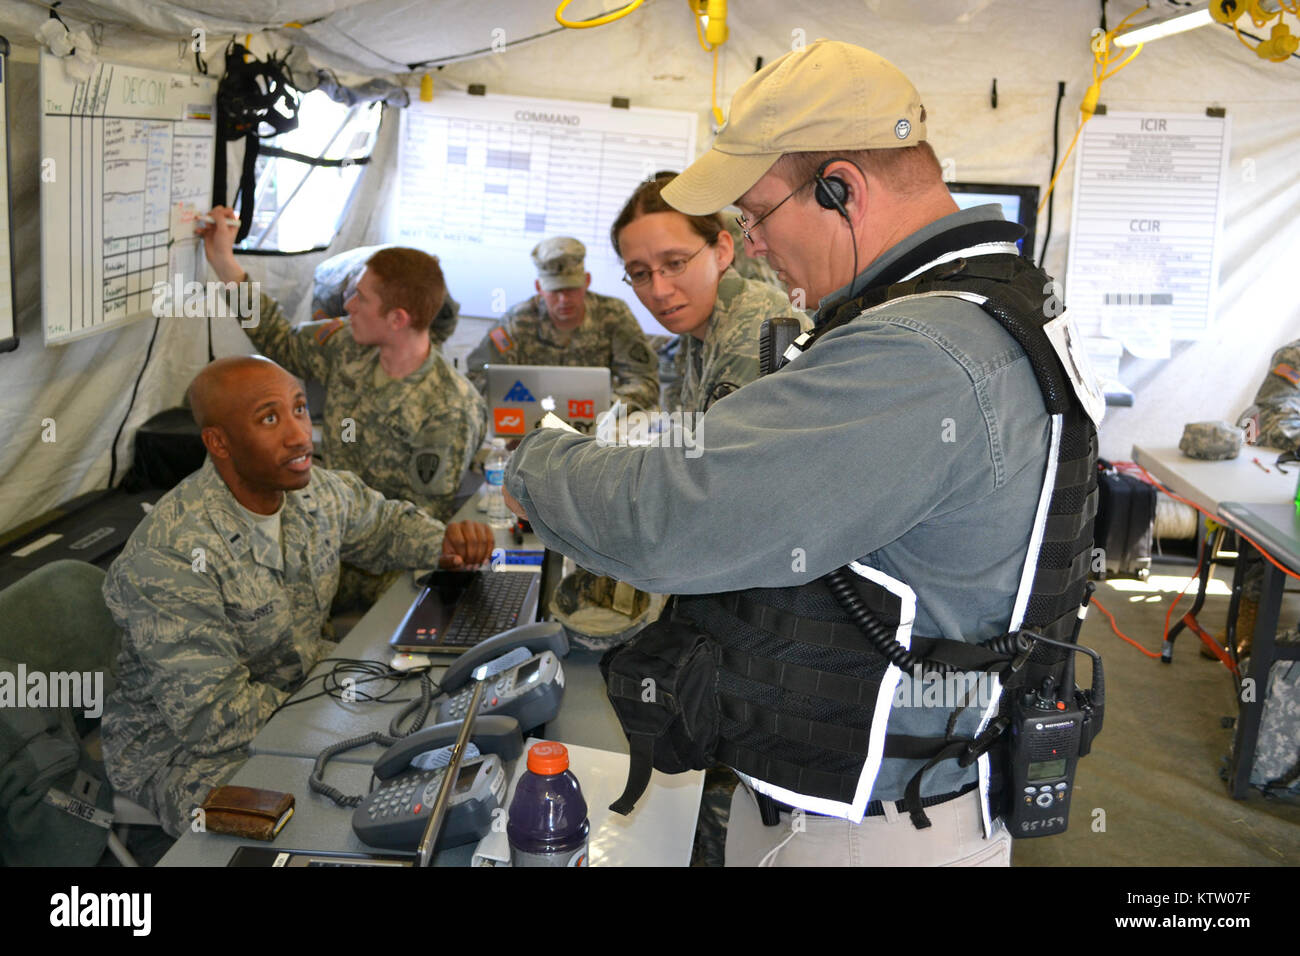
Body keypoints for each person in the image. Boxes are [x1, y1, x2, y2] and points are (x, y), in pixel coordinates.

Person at [501, 40, 1101, 866]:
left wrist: (533, 462)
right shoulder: (986, 307)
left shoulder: (922, 353)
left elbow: (674, 515)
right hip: (870, 800)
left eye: (755, 215)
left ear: (840, 188)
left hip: (870, 832)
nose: (751, 245)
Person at [101, 357, 493, 838]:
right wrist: (348, 705)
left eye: (301, 409)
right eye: (270, 418)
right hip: (180, 754)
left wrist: (445, 543)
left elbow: (383, 525)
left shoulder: (313, 491)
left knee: (413, 757)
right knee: (318, 826)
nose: (299, 435)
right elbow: (212, 718)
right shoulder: (172, 555)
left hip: (300, 694)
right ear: (219, 442)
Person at [200, 208, 487, 524]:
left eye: (361, 299)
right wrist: (224, 262)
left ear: (397, 319)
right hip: (327, 534)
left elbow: (422, 522)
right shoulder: (347, 344)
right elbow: (279, 339)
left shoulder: (451, 408)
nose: (349, 306)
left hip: (383, 563)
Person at [612, 174, 799, 415]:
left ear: (722, 251)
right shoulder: (701, 327)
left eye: (676, 263)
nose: (659, 291)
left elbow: (707, 451)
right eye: (639, 274)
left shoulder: (752, 328)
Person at [465, 237, 659, 411]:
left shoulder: (614, 315)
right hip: (532, 425)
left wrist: (604, 407)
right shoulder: (516, 321)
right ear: (539, 288)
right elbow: (477, 378)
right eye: (555, 291)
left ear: (587, 281)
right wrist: (517, 406)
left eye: (571, 289)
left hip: (596, 425)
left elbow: (645, 381)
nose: (564, 299)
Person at [311, 243, 461, 349]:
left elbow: (441, 331)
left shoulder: (437, 300)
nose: (350, 305)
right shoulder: (340, 293)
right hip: (333, 280)